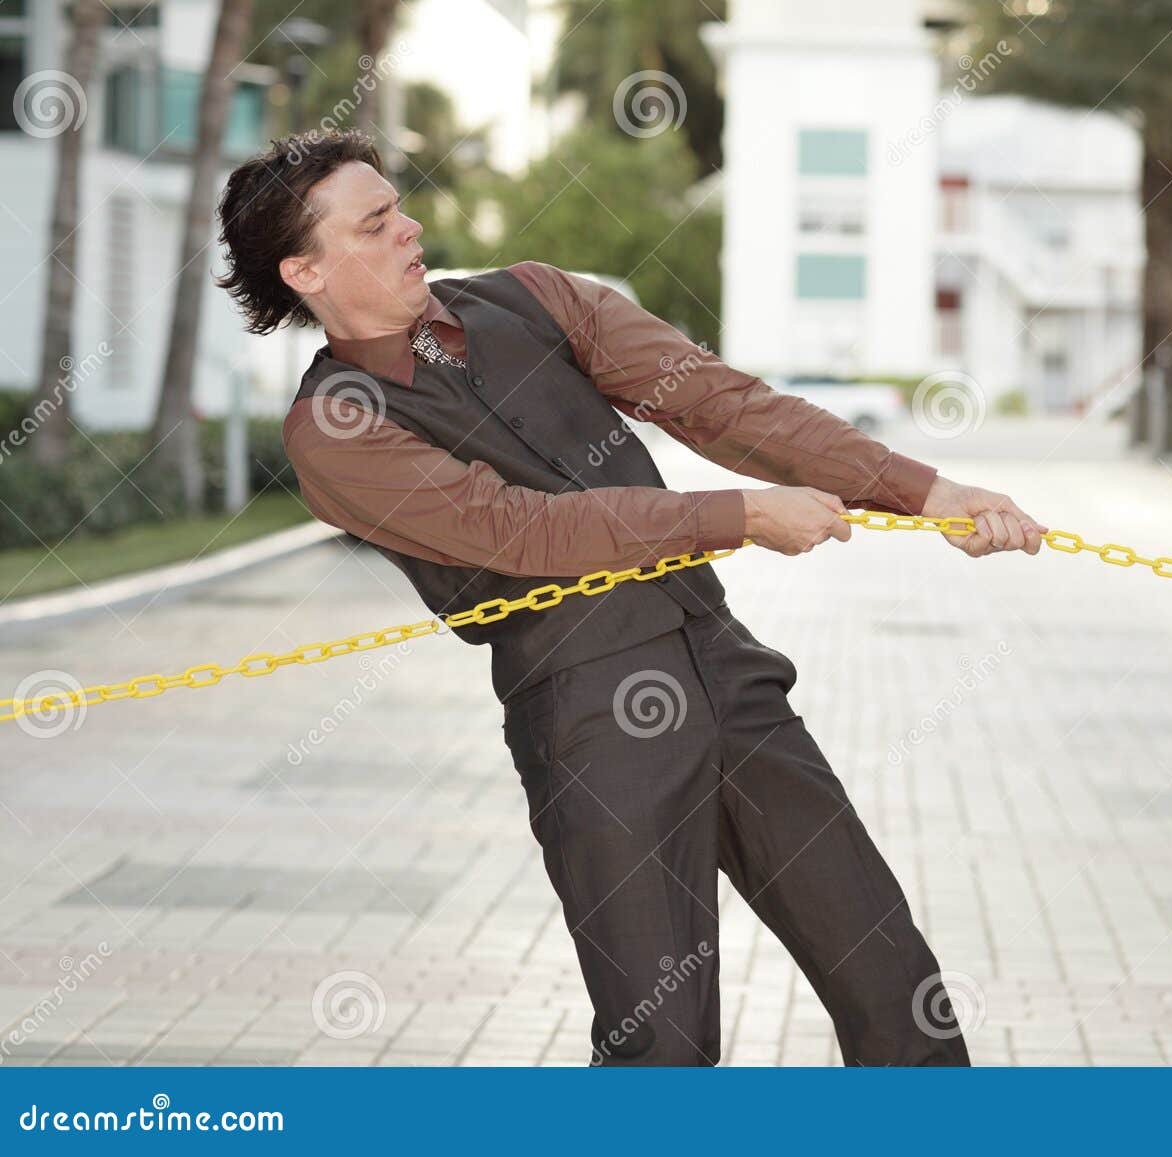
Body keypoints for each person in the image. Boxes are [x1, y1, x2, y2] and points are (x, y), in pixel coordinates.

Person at [216, 129, 1045, 1066]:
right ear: (305, 268)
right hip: (588, 721)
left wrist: (928, 490)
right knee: (662, 1046)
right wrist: (735, 515)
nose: (410, 230)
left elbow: (719, 402)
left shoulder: (535, 295)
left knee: (899, 992)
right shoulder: (336, 430)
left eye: (399, 207)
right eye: (375, 224)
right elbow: (523, 532)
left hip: (723, 666)